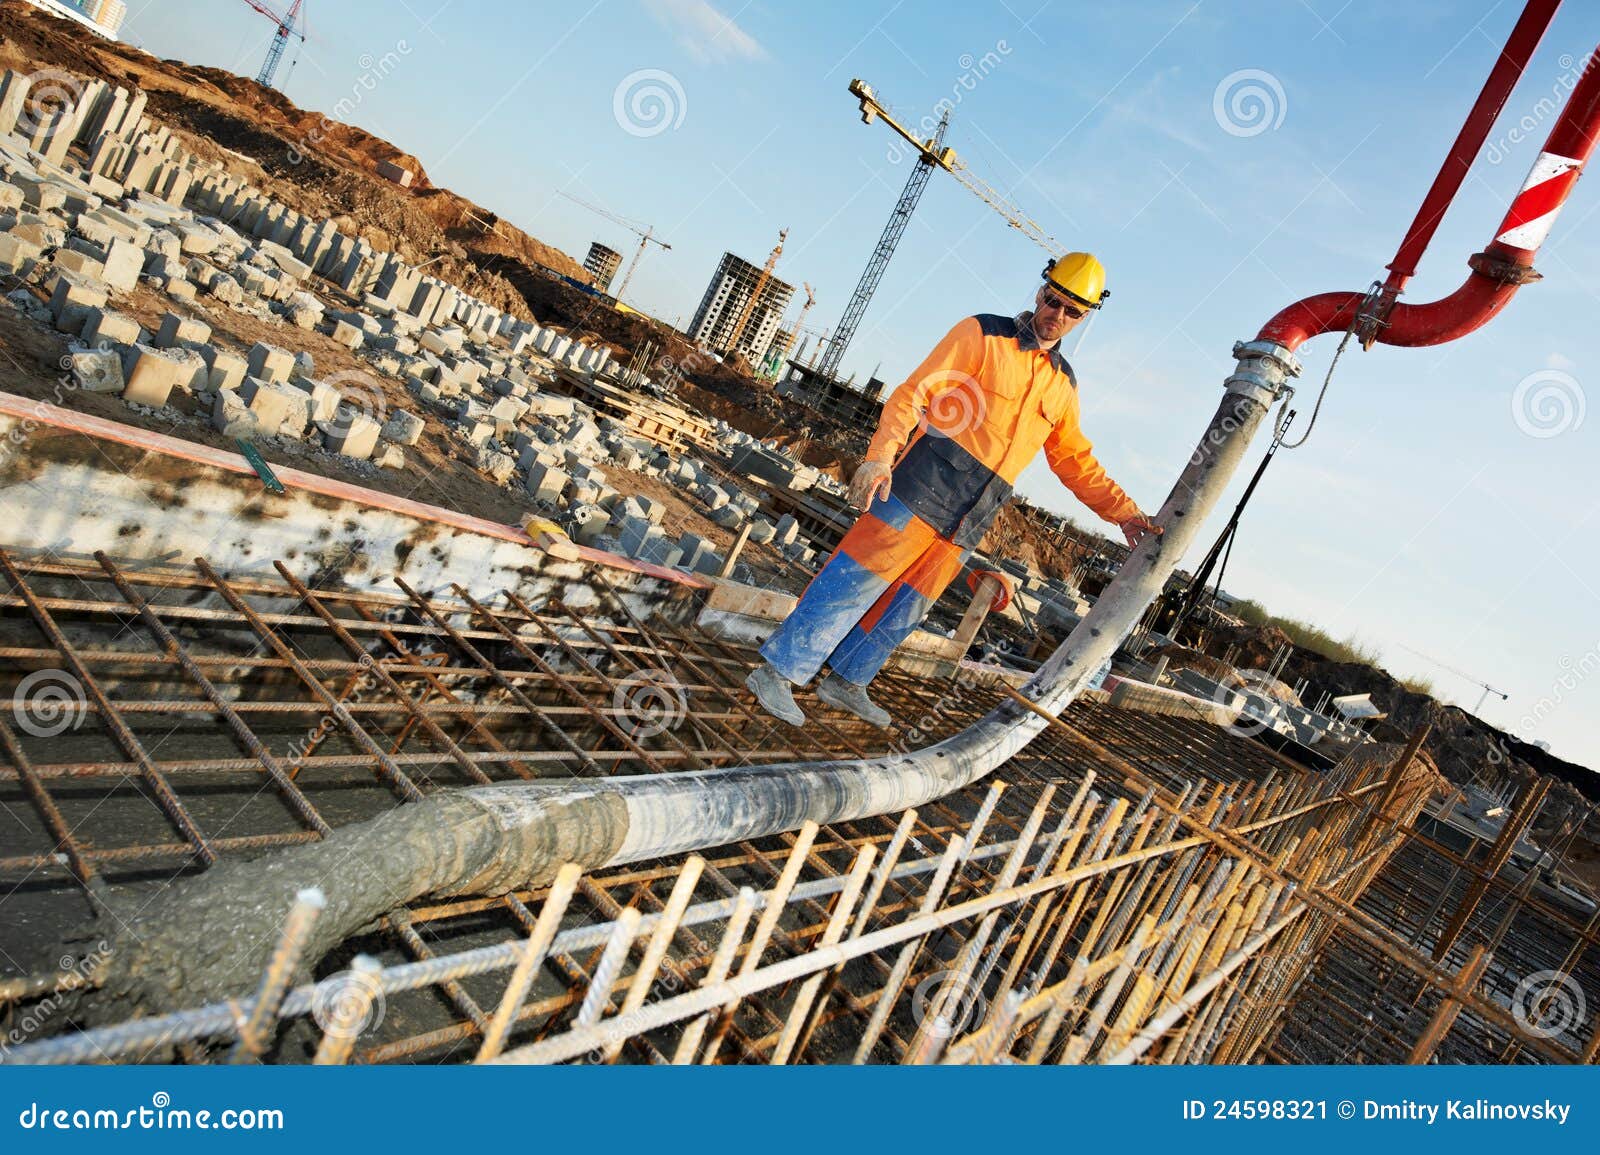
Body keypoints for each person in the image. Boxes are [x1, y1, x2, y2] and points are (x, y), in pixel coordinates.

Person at [746, 252, 1161, 727]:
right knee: (852, 583)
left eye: (1072, 311)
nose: (1057, 316)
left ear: (1084, 317)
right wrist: (880, 455)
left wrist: (1124, 513)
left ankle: (847, 681)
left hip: (971, 514)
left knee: (907, 605)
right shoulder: (982, 334)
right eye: (1053, 300)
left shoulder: (1062, 383)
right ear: (1041, 289)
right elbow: (915, 391)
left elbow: (1072, 459)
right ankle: (776, 672)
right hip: (918, 487)